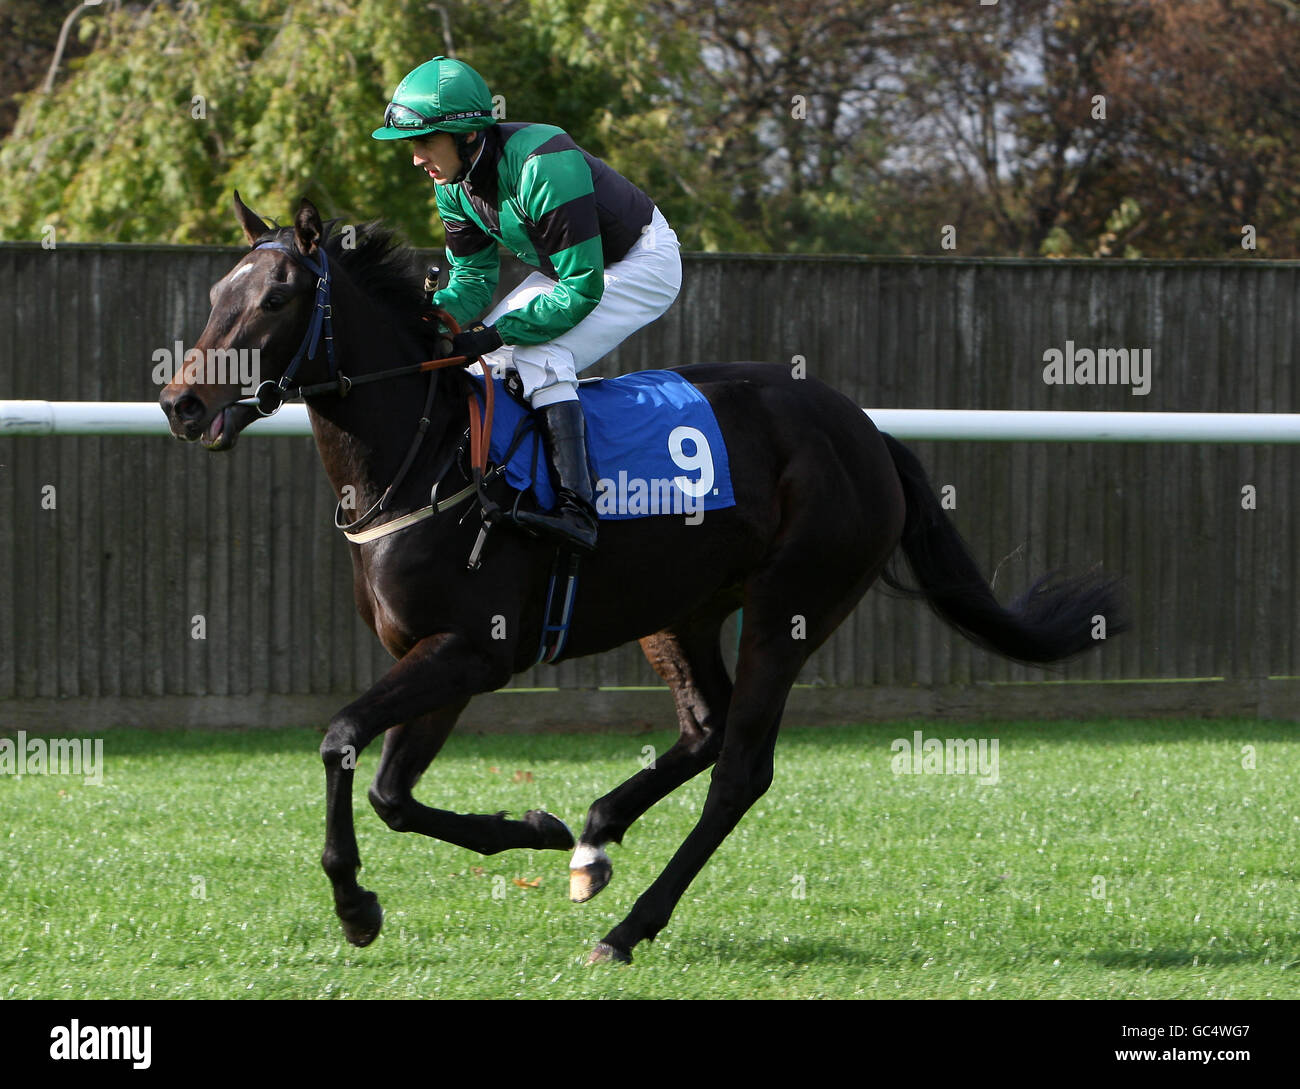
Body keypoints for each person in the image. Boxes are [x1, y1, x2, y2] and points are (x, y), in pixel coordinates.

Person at [372, 56, 683, 554]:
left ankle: (578, 510)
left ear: (468, 134)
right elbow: (473, 282)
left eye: (424, 141)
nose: (415, 158)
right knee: (490, 363)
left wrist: (497, 331)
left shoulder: (543, 164)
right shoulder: (452, 185)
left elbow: (582, 288)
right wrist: (429, 314)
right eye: (412, 144)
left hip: (640, 263)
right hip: (574, 269)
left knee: (538, 354)